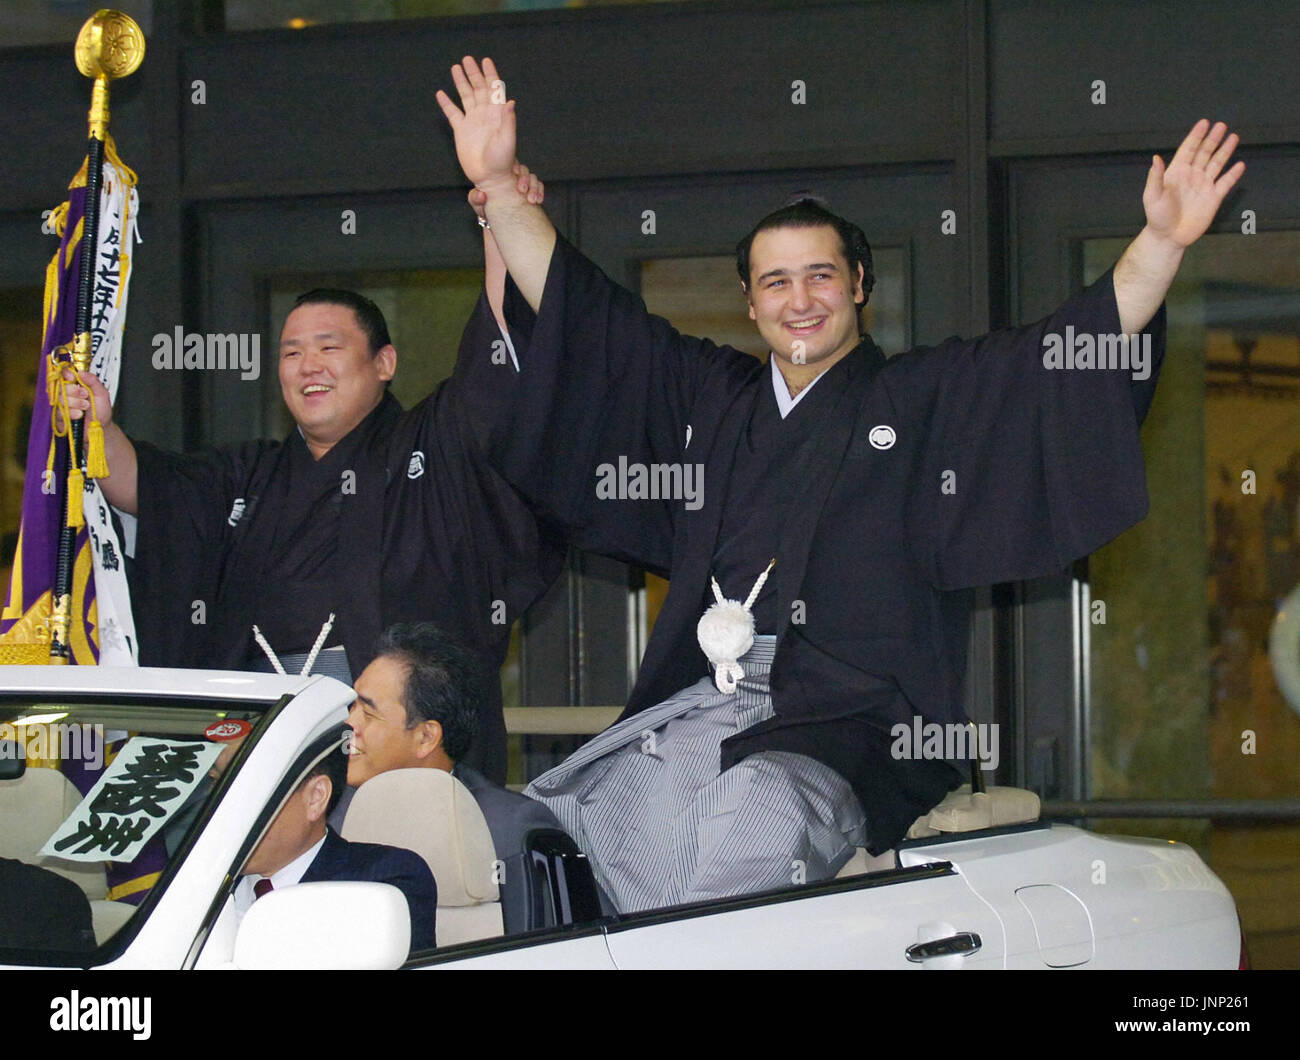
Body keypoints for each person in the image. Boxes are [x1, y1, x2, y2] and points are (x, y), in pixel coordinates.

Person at [438, 57, 1245, 912]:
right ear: (750, 302)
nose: (801, 300)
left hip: (848, 724)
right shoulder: (712, 397)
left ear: (859, 285)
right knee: (566, 825)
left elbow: (1053, 359)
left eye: (821, 275)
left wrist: (1162, 243)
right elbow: (594, 323)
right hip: (708, 701)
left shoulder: (920, 399)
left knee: (753, 826)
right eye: (776, 282)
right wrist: (501, 189)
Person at [62, 170, 560, 782]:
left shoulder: (431, 449)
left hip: (397, 737)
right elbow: (148, 487)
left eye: (328, 348)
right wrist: (98, 427)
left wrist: (502, 218)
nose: (307, 366)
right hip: (258, 741)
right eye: (291, 352)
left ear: (384, 363)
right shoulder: (251, 473)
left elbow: (500, 362)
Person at [341, 622, 589, 931]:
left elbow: (574, 943)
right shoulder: (327, 813)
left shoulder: (509, 828)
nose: (348, 723)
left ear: (426, 737)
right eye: (351, 706)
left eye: (368, 713)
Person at [233, 735, 437, 954]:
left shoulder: (383, 880)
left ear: (315, 797)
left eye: (244, 792)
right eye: (217, 784)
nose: (224, 810)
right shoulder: (209, 876)